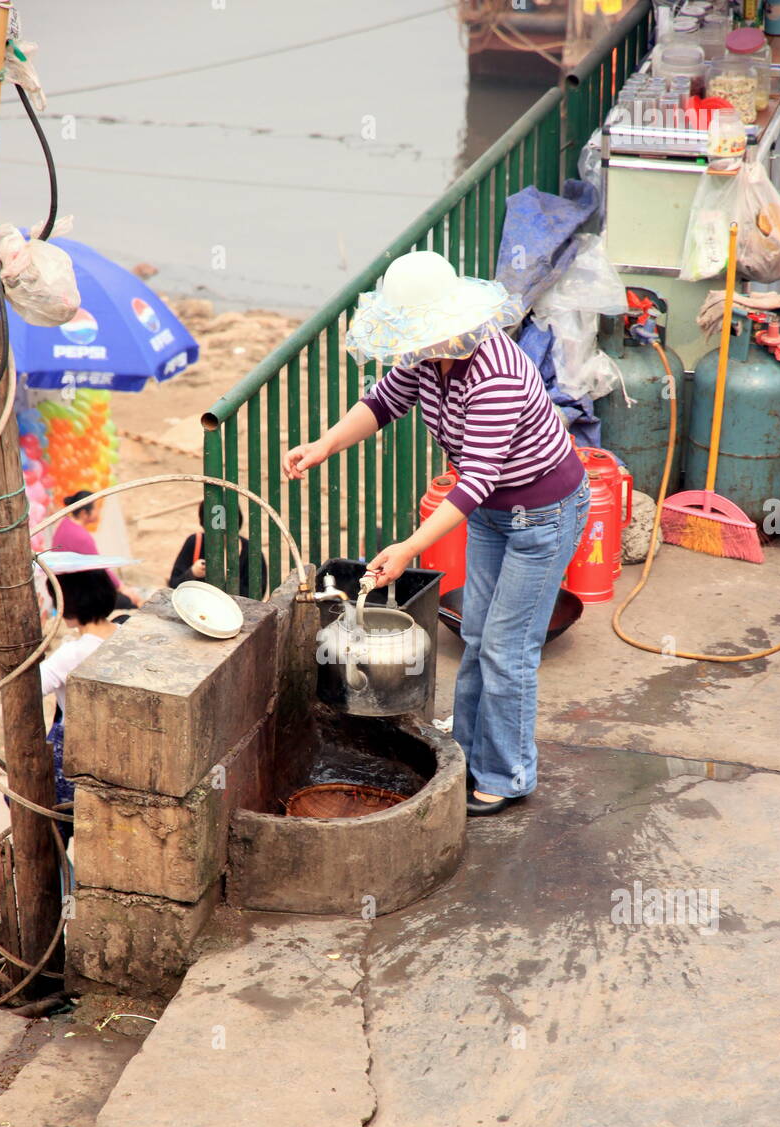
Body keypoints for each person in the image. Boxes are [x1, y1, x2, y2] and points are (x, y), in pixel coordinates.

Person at [284, 250, 590, 817]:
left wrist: (408, 549)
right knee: (477, 633)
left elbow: (474, 480)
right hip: (495, 513)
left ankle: (507, 773)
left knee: (507, 650)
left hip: (542, 515)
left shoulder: (494, 373)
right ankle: (471, 751)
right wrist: (324, 445)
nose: (411, 347)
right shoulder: (431, 356)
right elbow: (381, 403)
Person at [40, 564, 121, 842]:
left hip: (77, 757)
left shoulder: (74, 653)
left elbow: (30, 686)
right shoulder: (125, 636)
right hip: (119, 753)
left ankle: (60, 881)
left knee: (43, 821)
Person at [52, 492, 142, 610]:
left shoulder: (65, 523)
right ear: (84, 513)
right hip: (75, 594)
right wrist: (123, 588)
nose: (99, 512)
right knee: (127, 601)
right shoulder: (81, 536)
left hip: (66, 587)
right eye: (96, 508)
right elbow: (100, 568)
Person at [168, 501, 266, 597]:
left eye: (225, 532)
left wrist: (229, 576)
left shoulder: (251, 552)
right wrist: (192, 573)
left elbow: (256, 598)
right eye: (214, 532)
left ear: (237, 524)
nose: (220, 538)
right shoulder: (195, 542)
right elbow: (173, 584)